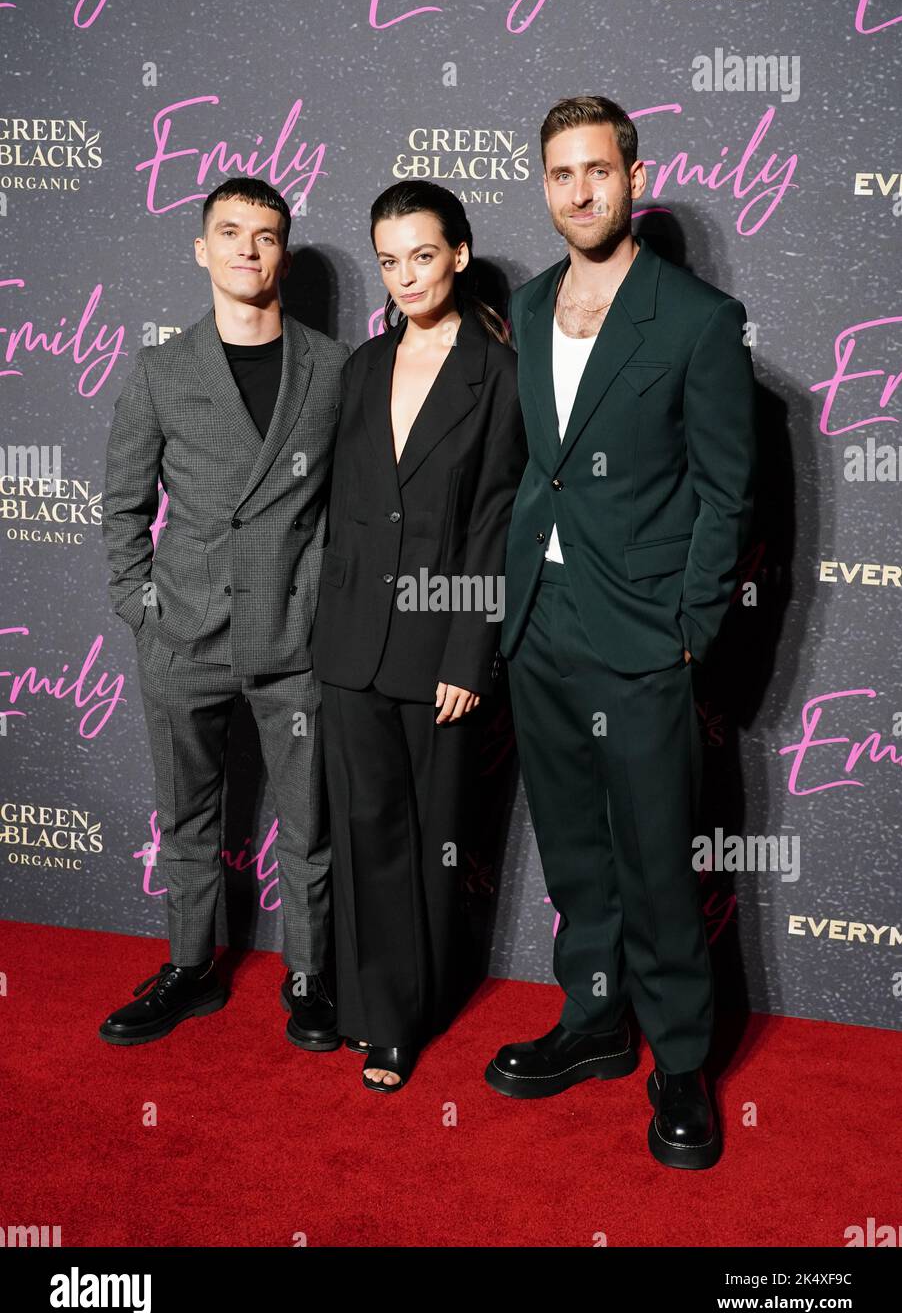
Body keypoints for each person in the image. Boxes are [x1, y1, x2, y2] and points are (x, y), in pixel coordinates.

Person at [484, 96, 756, 1169]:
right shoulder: (524, 302)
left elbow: (726, 495)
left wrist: (686, 628)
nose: (580, 191)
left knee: (653, 861)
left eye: (598, 170)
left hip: (641, 634)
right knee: (575, 853)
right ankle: (594, 1021)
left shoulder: (693, 317)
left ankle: (679, 1061)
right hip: (540, 622)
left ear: (633, 178)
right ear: (543, 185)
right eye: (559, 173)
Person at [100, 177, 351, 1048]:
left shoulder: (332, 368)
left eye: (268, 235)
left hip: (294, 641)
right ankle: (189, 967)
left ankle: (312, 973)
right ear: (202, 250)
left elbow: (353, 508)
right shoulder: (161, 371)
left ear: (283, 252)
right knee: (188, 818)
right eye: (231, 233)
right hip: (185, 638)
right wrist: (141, 609)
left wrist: (327, 610)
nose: (249, 248)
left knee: (311, 825)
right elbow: (122, 506)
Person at [311, 180, 527, 1091]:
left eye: (423, 256)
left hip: (439, 649)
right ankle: (367, 1006)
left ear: (461, 255)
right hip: (351, 645)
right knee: (363, 834)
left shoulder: (500, 371)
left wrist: (467, 653)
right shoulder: (362, 367)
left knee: (431, 837)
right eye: (390, 260)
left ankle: (408, 1015)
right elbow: (345, 510)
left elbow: (495, 521)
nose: (405, 277)